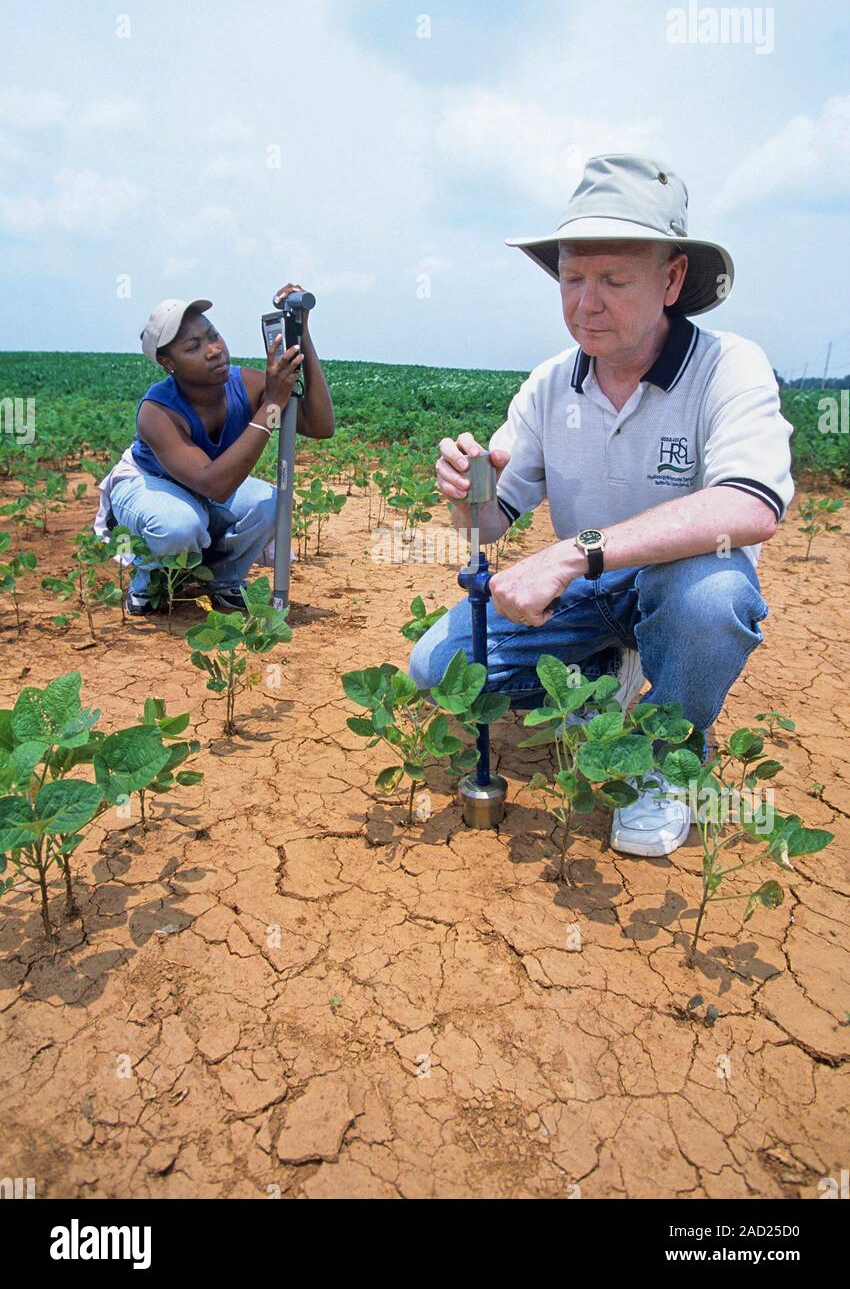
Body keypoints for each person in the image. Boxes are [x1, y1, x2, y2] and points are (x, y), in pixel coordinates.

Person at [409, 154, 794, 858]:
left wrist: (573, 552)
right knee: (439, 668)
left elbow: (751, 504)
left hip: (672, 583)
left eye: (615, 280)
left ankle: (666, 755)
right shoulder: (551, 384)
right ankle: (599, 675)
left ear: (672, 279)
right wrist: (471, 490)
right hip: (585, 593)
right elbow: (491, 525)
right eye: (573, 278)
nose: (587, 303)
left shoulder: (728, 367)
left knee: (710, 600)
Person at [94, 285, 334, 613]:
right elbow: (215, 485)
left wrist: (301, 331)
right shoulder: (158, 411)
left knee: (273, 503)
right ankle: (150, 575)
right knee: (178, 524)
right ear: (168, 363)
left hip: (202, 492)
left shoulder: (243, 383)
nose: (213, 350)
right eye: (194, 346)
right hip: (150, 484)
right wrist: (271, 405)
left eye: (213, 335)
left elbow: (320, 426)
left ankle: (224, 580)